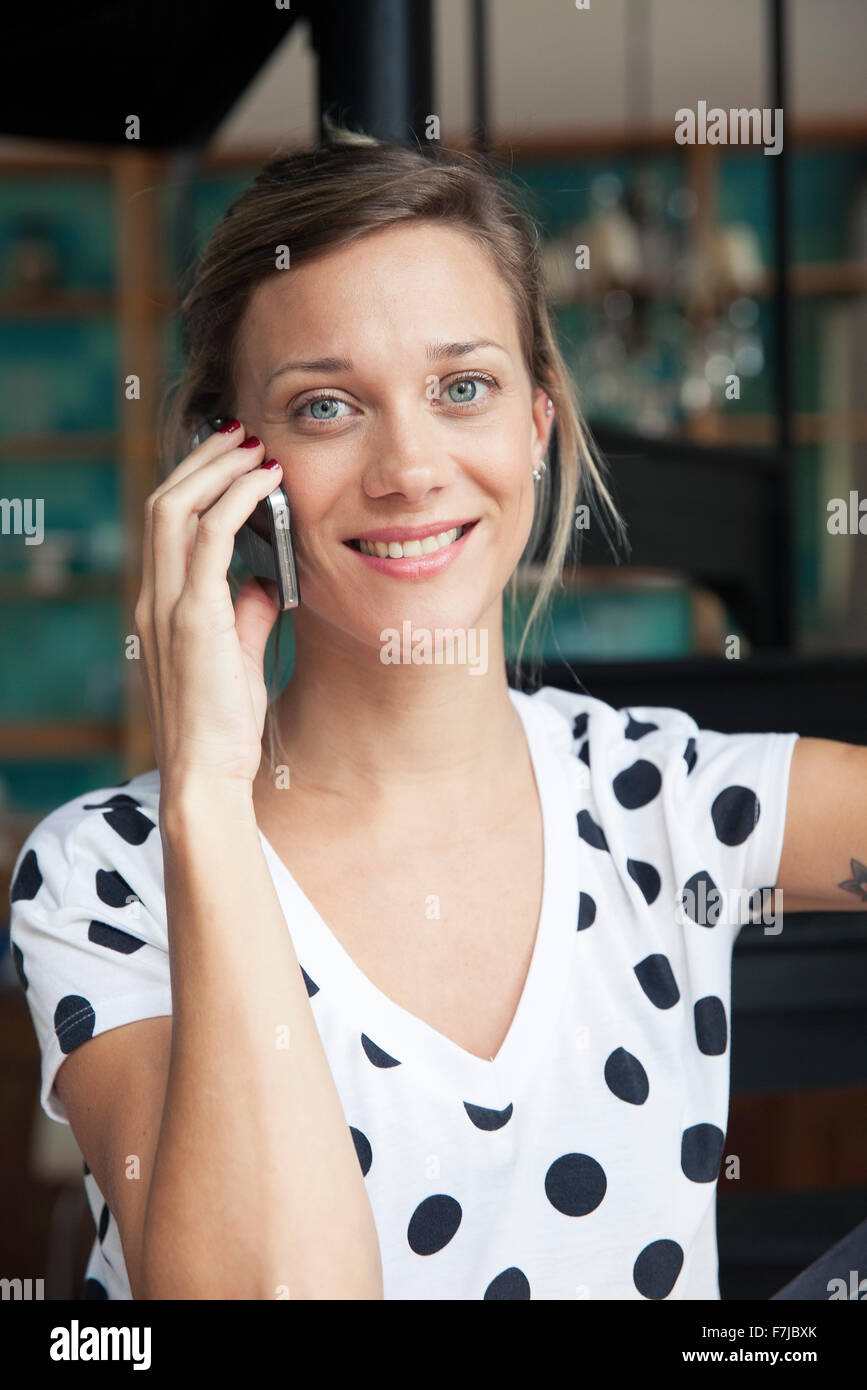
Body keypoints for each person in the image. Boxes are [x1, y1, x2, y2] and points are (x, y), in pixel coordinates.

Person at [8, 124, 866, 1302]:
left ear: (537, 425)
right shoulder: (106, 873)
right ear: (232, 474)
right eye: (325, 407)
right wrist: (206, 790)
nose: (410, 466)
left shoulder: (672, 803)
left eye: (462, 387)